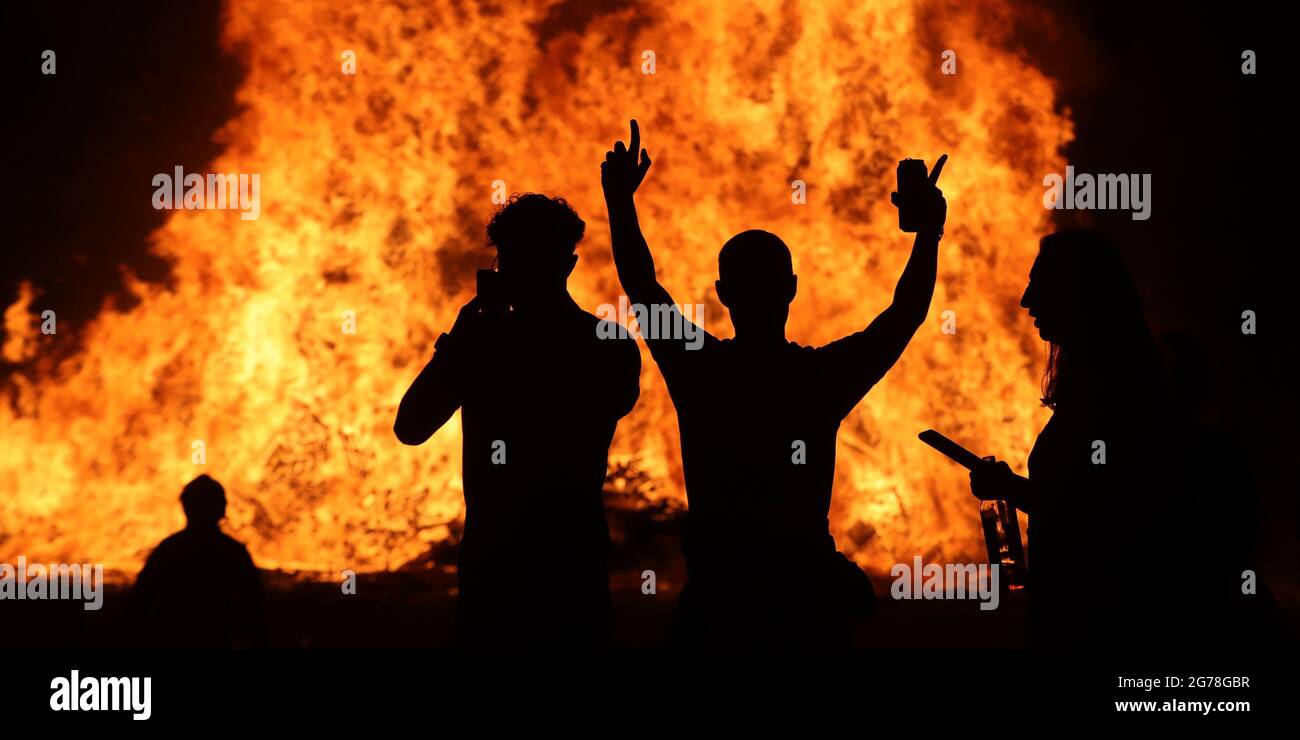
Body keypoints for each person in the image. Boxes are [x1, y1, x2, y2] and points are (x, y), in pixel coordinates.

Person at [600, 120, 947, 647]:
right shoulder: (818, 378)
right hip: (803, 605)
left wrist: (621, 202)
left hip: (720, 603)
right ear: (791, 290)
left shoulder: (700, 370)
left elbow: (642, 286)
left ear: (722, 293)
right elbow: (904, 315)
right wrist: (928, 232)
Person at [394, 193, 641, 648]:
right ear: (569, 264)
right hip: (570, 562)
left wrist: (462, 342)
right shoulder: (609, 345)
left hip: (502, 563)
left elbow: (411, 427)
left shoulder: (487, 342)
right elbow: (410, 428)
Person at [968, 230, 1193, 648]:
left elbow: (1101, 507)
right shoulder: (1107, 385)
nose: (1026, 300)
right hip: (1076, 609)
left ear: (1077, 293)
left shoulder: (1117, 392)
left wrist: (1010, 488)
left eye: (1040, 285)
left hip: (1101, 618)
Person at [128, 474, 266, 648]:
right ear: (222, 509)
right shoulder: (233, 553)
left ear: (185, 507)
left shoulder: (169, 550)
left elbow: (139, 603)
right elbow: (254, 612)